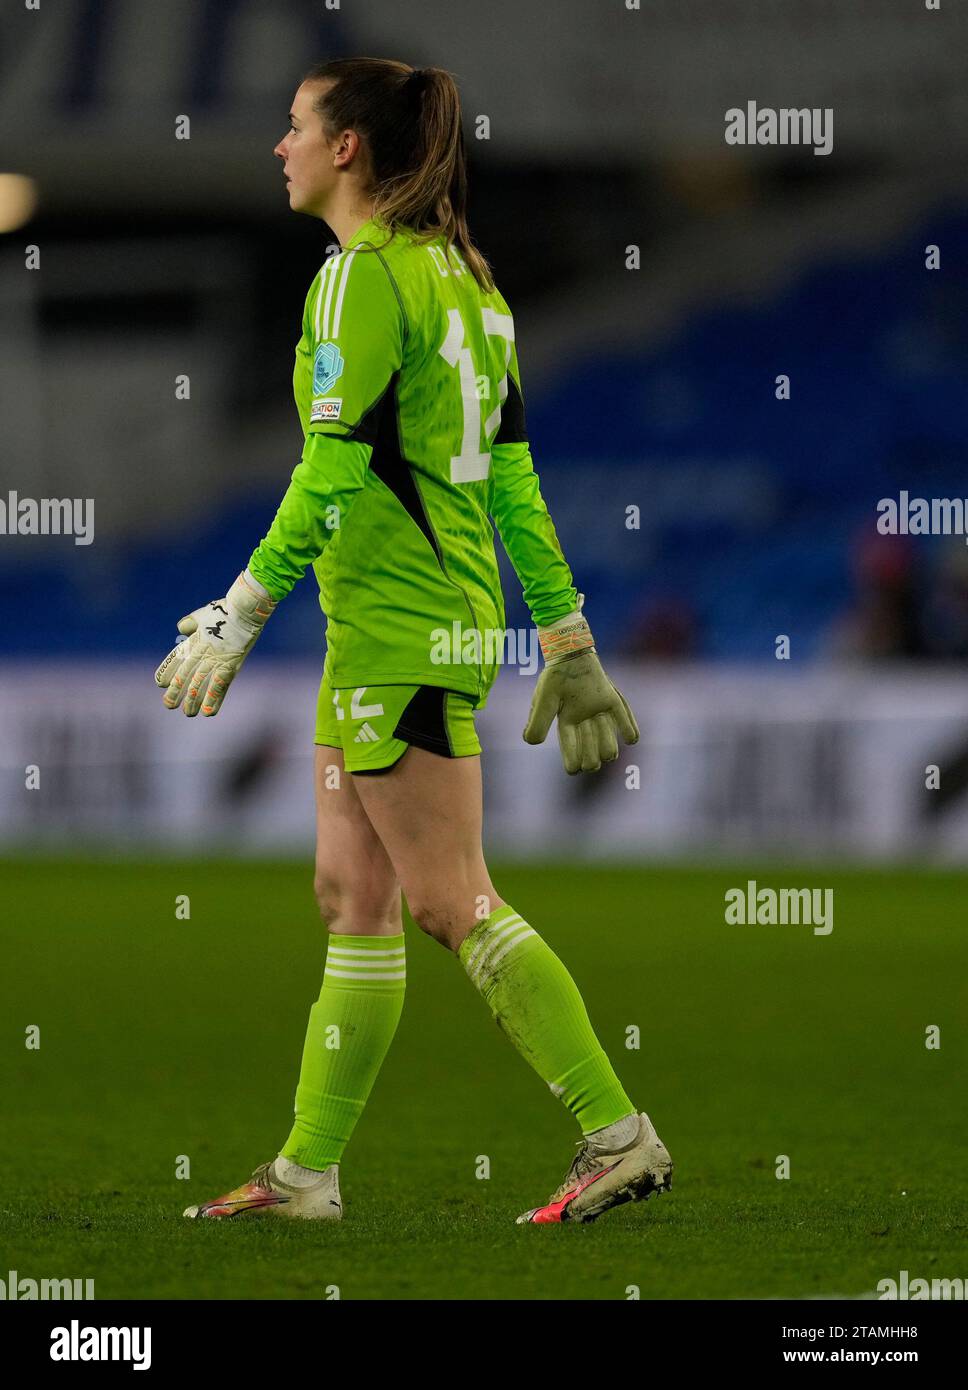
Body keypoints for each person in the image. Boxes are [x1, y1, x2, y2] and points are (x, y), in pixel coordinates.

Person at [155, 57, 672, 1226]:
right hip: (412, 628)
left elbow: (331, 469)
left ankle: (616, 1132)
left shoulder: (358, 281)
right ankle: (306, 1173)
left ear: (348, 149)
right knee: (355, 896)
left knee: (451, 900)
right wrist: (565, 629)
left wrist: (243, 606)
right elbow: (516, 483)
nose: (277, 147)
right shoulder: (471, 286)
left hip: (394, 629)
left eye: (293, 126)